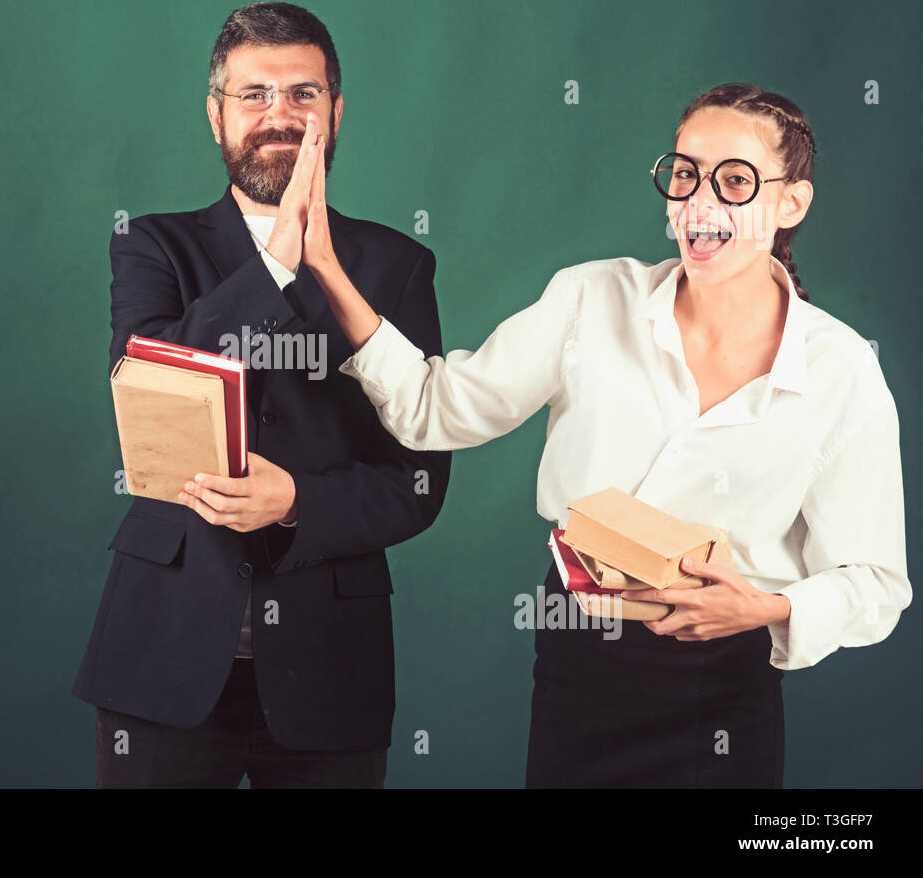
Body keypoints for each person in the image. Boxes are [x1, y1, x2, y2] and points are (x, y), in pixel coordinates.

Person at [292, 82, 911, 787]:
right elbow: (434, 409)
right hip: (582, 665)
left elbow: (875, 582)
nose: (699, 202)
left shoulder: (841, 369)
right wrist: (326, 269)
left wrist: (766, 607)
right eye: (685, 174)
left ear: (790, 203)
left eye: (735, 180)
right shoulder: (590, 299)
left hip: (724, 686)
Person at [71, 1, 451, 787]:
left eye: (303, 94)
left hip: (331, 673)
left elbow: (415, 481)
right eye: (254, 95)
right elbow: (150, 381)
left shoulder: (398, 266)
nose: (279, 114)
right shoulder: (150, 245)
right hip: (161, 663)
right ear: (216, 116)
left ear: (335, 113)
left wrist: (295, 502)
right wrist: (276, 264)